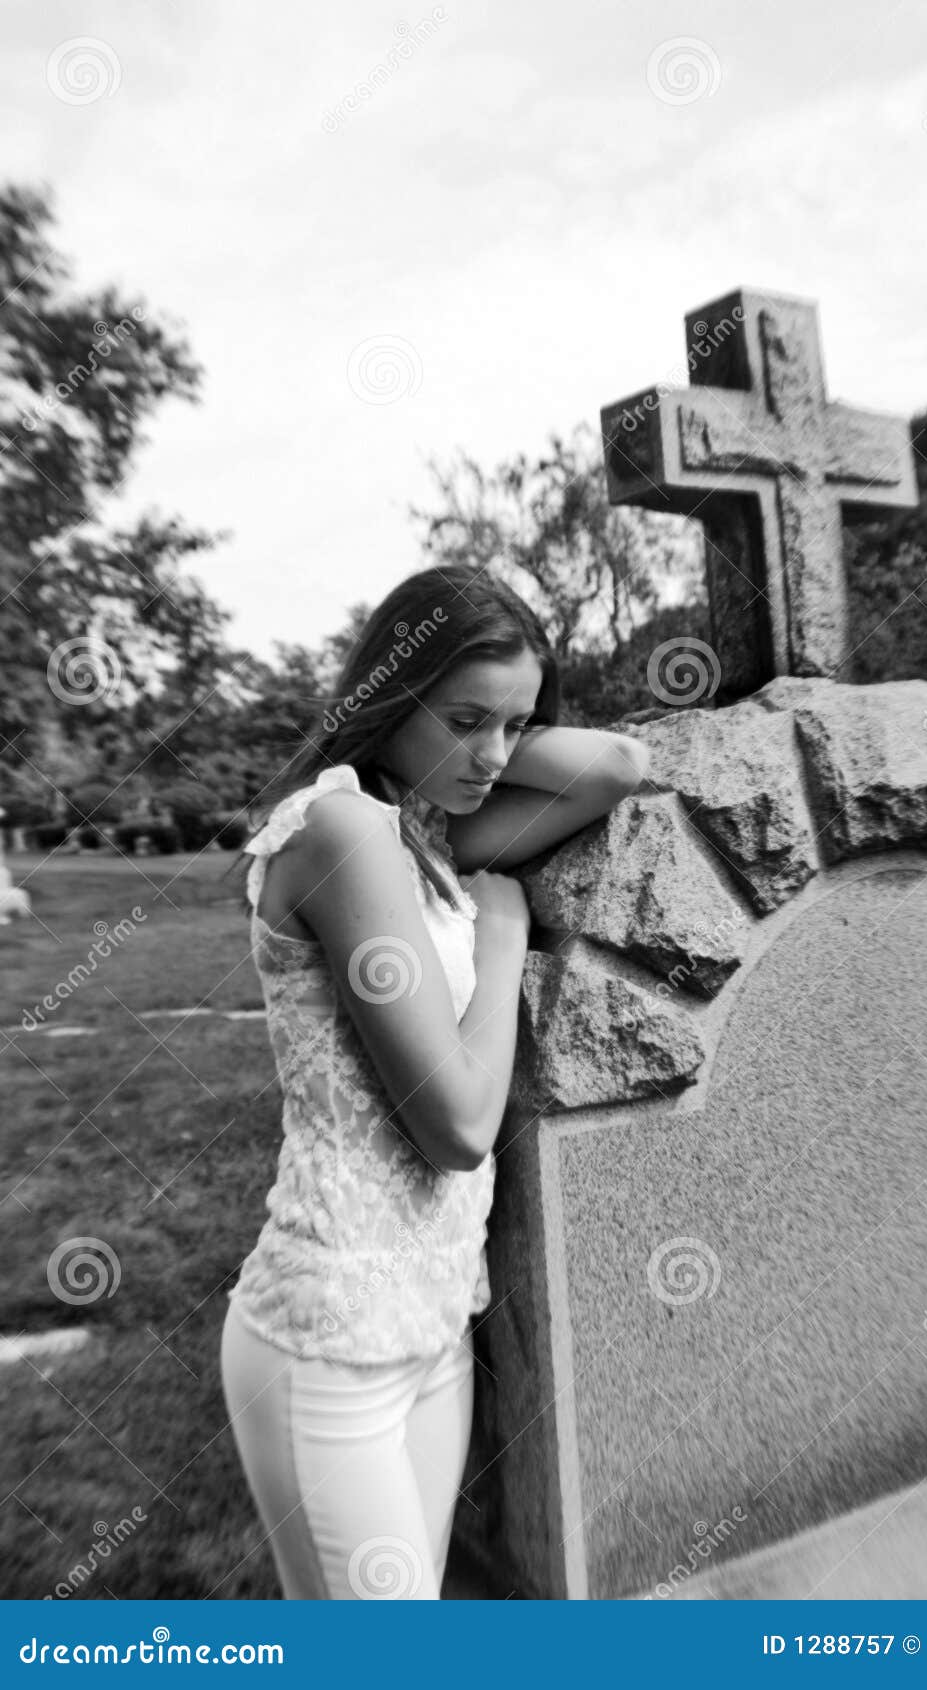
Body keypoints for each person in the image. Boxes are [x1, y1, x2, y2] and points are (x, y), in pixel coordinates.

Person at [218, 562, 649, 1599]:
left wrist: (480, 722)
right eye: (464, 721)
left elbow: (615, 765)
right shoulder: (341, 831)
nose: (494, 758)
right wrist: (500, 944)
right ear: (390, 699)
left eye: (517, 725)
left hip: (431, 1320)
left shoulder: (423, 837)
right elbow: (455, 1125)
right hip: (329, 1338)